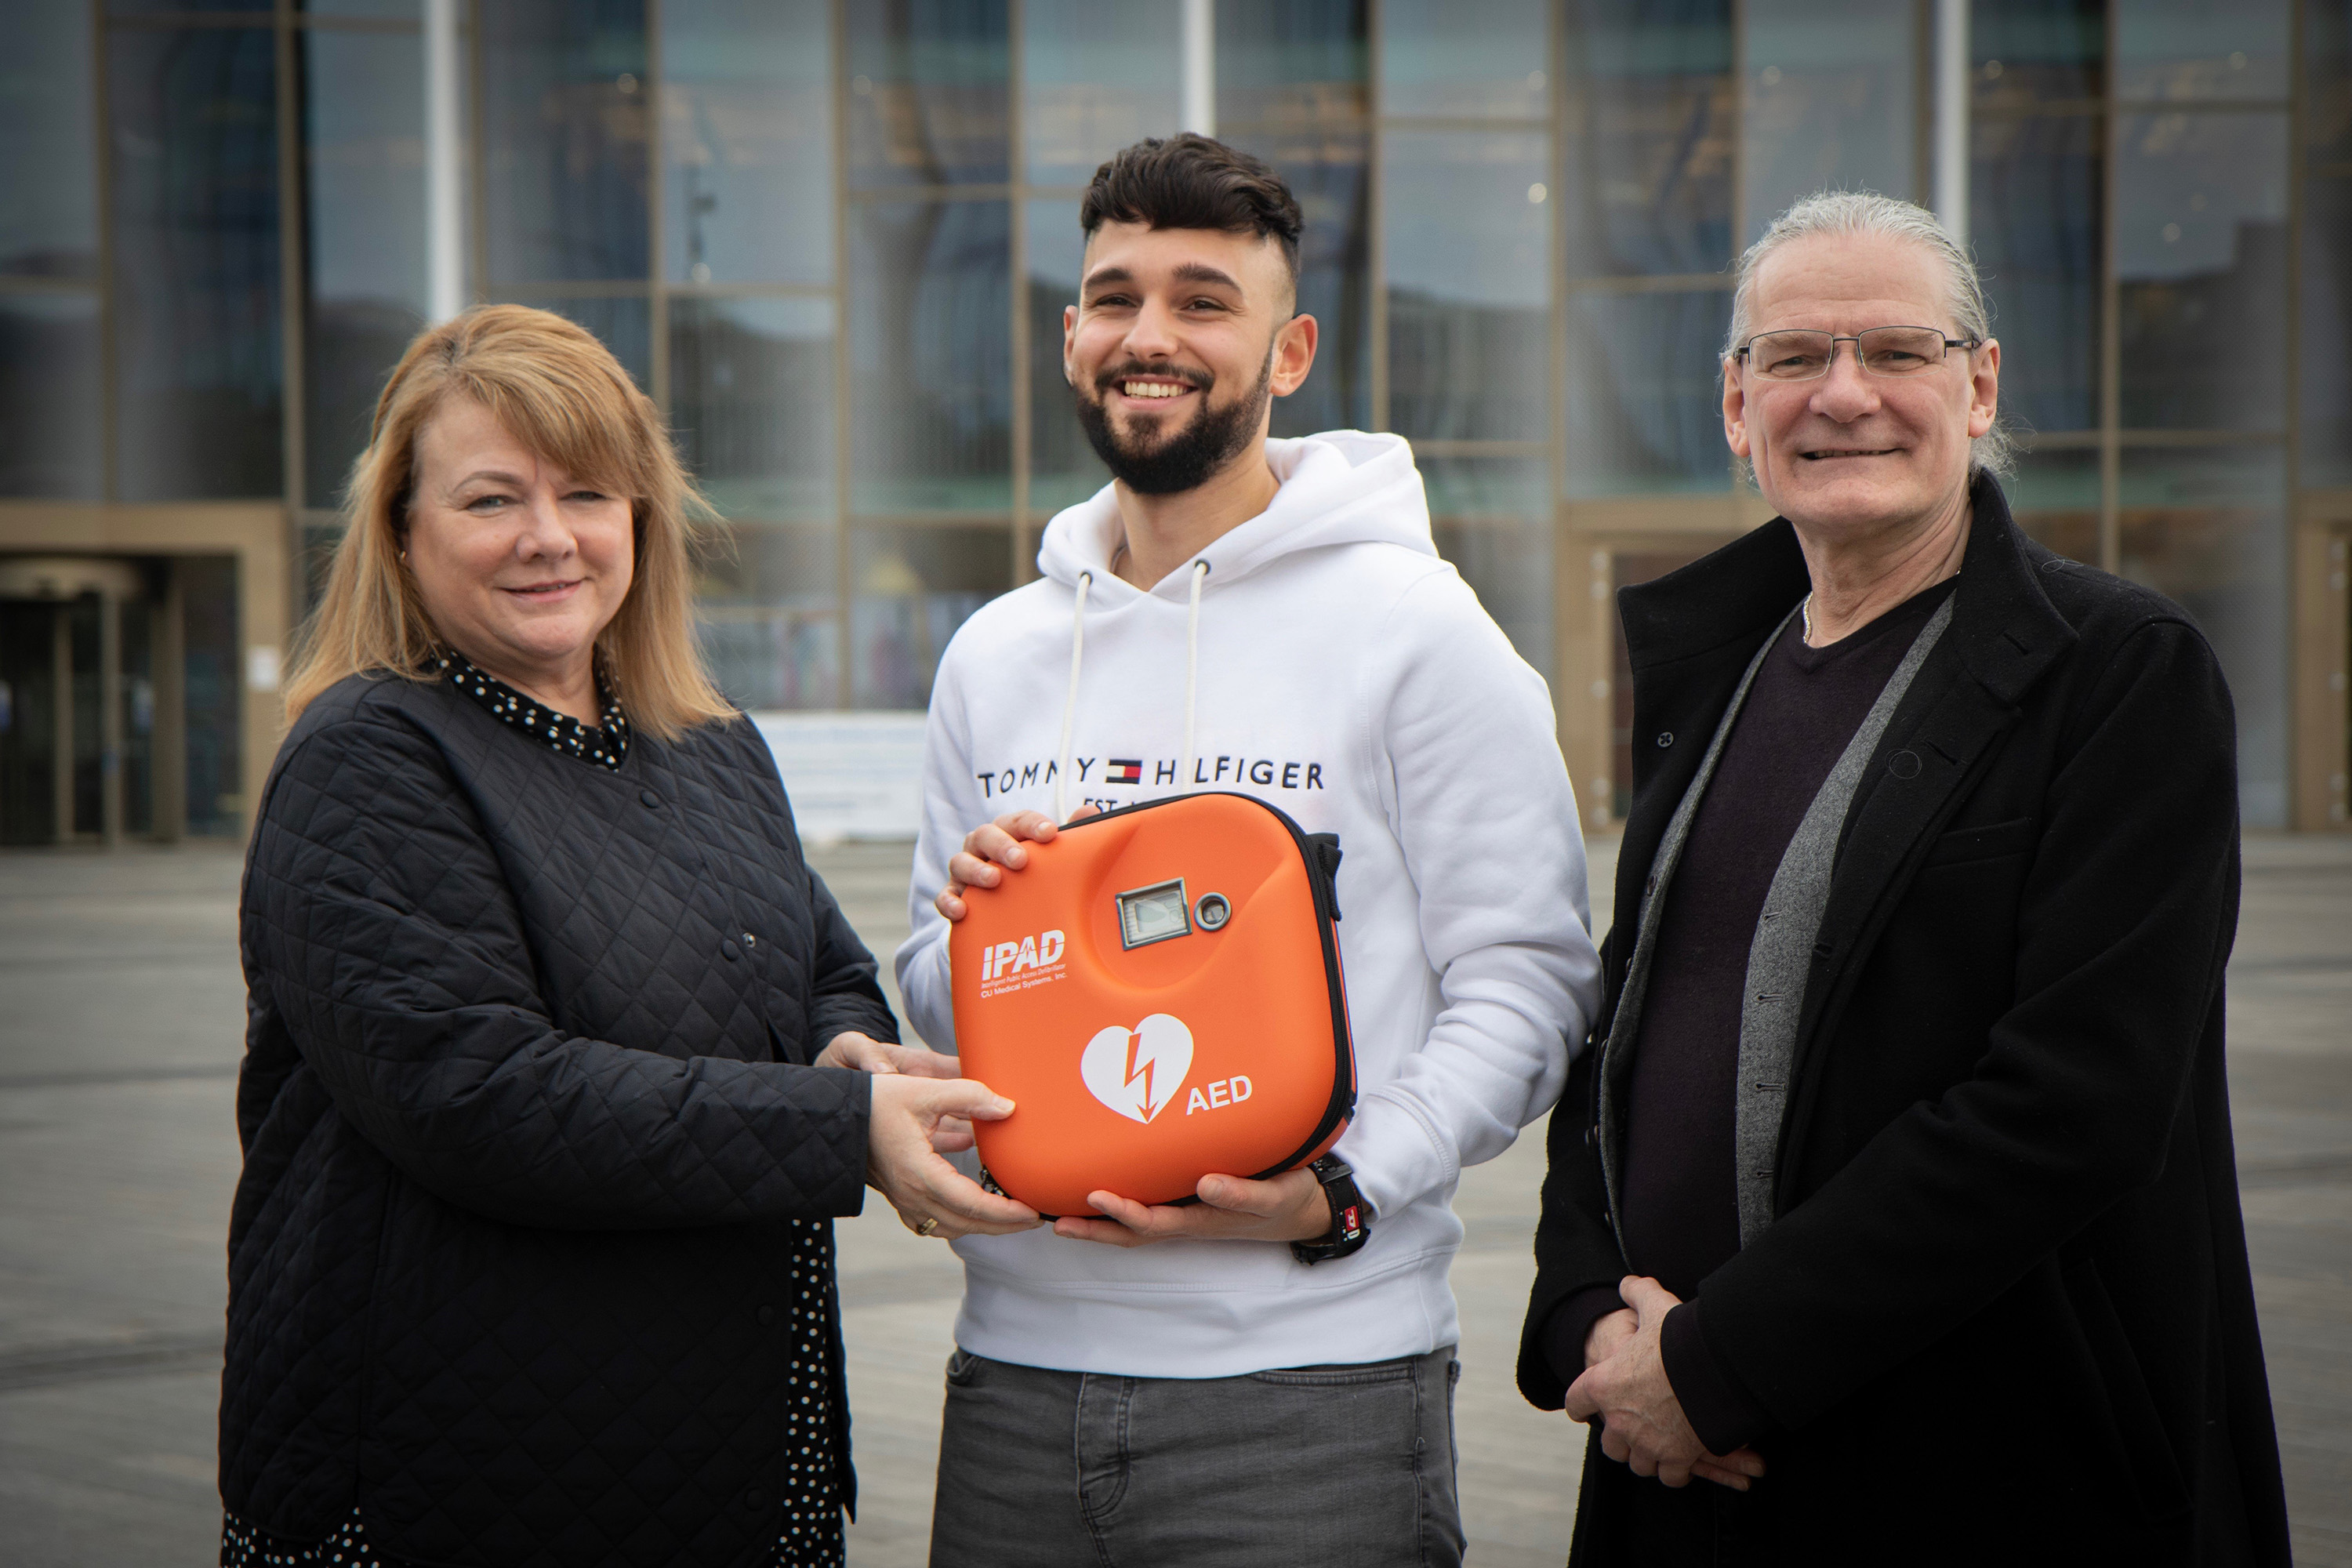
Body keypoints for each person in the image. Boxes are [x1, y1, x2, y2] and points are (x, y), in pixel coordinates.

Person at [1516, 192, 2291, 1563]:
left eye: (1896, 352)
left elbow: (2074, 1104)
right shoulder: (1720, 677)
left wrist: (1715, 1363)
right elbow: (1623, 1038)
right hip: (1683, 1470)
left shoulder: (2117, 672)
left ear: (1979, 386)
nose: (1845, 396)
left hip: (1988, 1473)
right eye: (1796, 357)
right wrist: (1586, 1313)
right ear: (1735, 405)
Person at [222, 304, 1032, 1568]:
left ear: (642, 519)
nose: (549, 539)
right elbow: (479, 1094)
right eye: (492, 500)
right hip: (456, 1480)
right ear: (401, 530)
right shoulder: (370, 757)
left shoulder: (710, 748)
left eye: (588, 493)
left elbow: (820, 970)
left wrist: (848, 1056)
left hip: (729, 1456)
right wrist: (838, 1132)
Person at [892, 135, 1603, 1567]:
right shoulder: (998, 652)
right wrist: (966, 932)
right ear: (1071, 337)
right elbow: (931, 991)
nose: (1150, 336)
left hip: (1311, 1399)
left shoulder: (1422, 636)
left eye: (1204, 300)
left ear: (1291, 352)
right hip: (1014, 1383)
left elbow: (1529, 988)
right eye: (1114, 297)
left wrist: (1341, 1189)